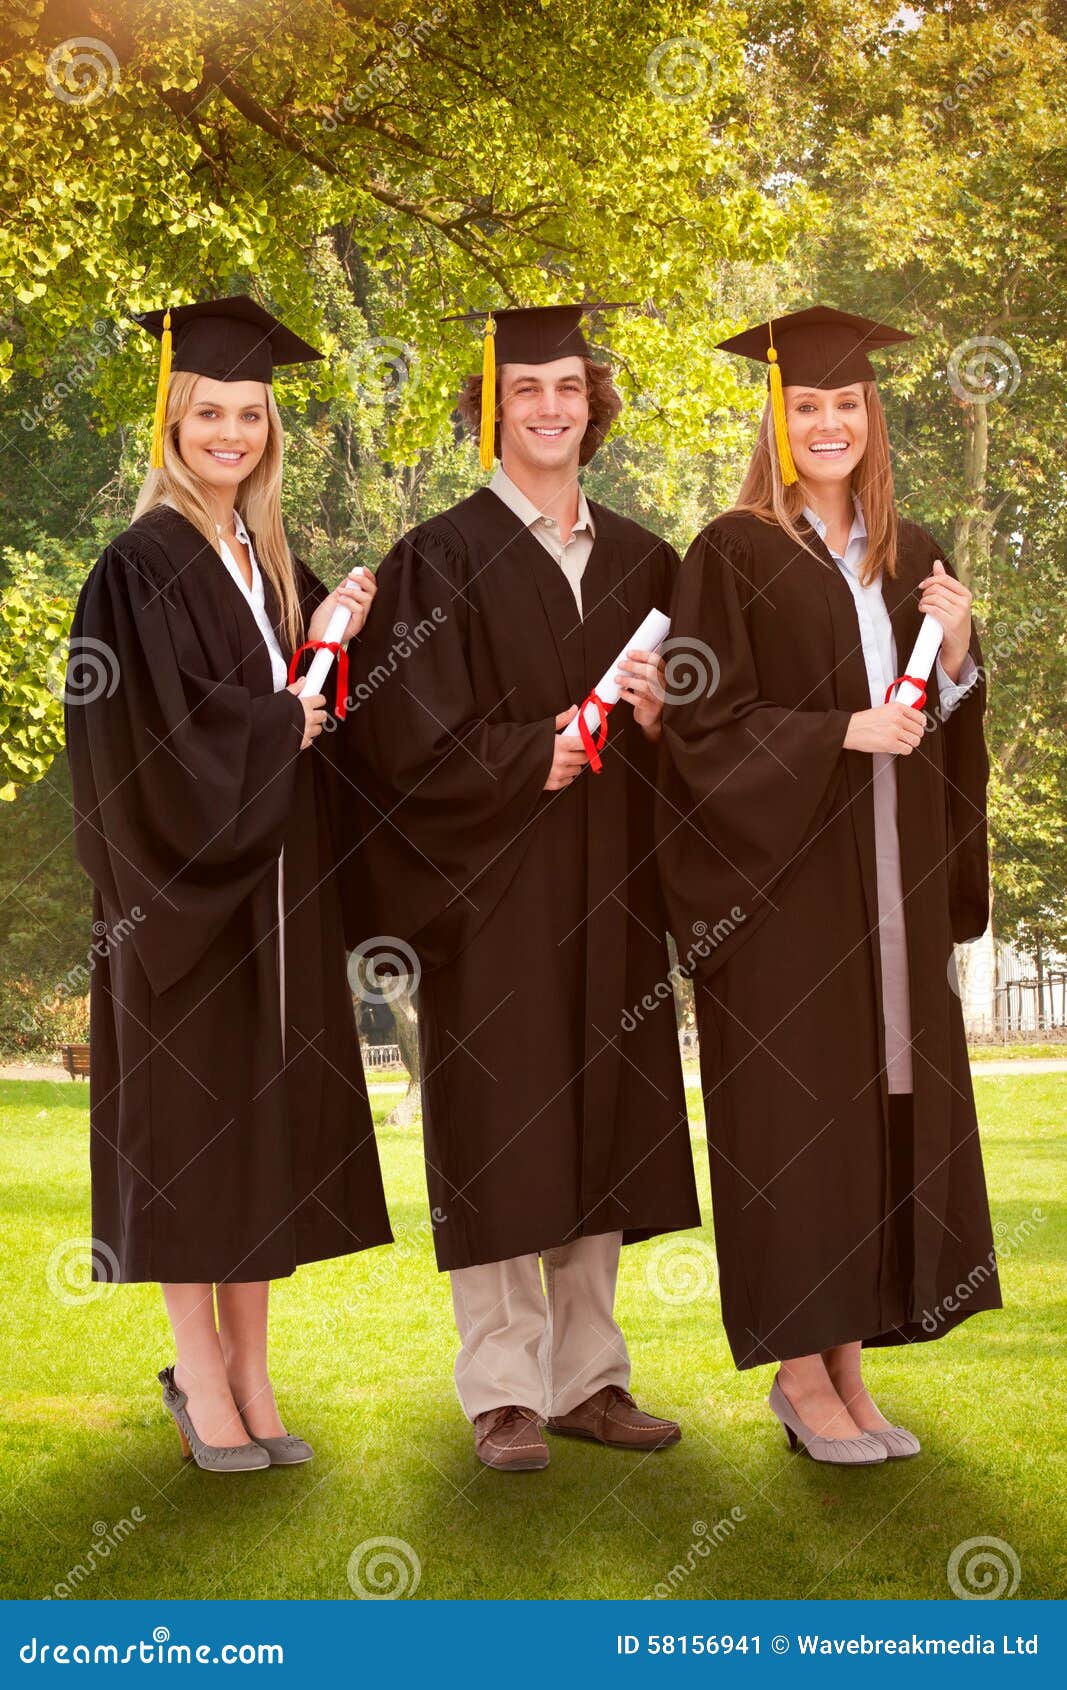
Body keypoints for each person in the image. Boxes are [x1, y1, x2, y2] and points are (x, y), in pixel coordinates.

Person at [344, 303, 701, 1472]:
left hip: (609, 888)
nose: (548, 408)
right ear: (488, 412)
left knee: (598, 1112)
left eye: (566, 389)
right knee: (500, 1124)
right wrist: (520, 754)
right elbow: (395, 741)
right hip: (486, 892)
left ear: (591, 406)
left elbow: (698, 738)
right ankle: (501, 1388)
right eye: (523, 392)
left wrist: (655, 718)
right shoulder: (435, 557)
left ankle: (588, 1377)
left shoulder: (649, 559)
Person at [656, 305, 1000, 1466]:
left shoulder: (915, 551)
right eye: (804, 405)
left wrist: (954, 657)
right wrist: (834, 732)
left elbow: (938, 725)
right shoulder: (732, 550)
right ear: (775, 417)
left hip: (892, 882)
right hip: (782, 902)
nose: (825, 422)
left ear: (871, 416)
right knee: (798, 1127)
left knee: (875, 1118)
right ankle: (801, 1378)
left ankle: (849, 1370)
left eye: (843, 404)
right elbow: (699, 734)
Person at [65, 295, 392, 1473]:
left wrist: (334, 633)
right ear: (171, 418)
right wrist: (279, 718)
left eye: (249, 415)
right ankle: (198, 1377)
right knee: (197, 1141)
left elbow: (313, 713)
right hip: (181, 907)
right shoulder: (139, 562)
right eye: (208, 412)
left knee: (260, 1142)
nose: (230, 433)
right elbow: (143, 738)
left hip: (275, 899)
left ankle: (255, 1374)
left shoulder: (265, 559)